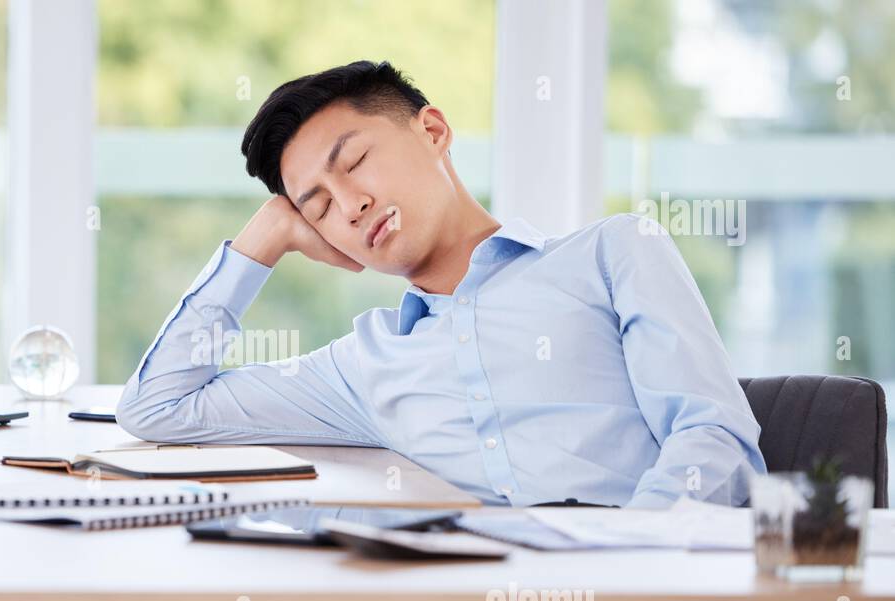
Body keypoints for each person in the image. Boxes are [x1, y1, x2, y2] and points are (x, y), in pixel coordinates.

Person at [116, 60, 766, 508]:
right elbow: (159, 409)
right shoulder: (360, 368)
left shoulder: (613, 251)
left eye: (356, 162)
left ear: (432, 131)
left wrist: (623, 569)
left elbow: (714, 440)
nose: (349, 205)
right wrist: (259, 244)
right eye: (315, 206)